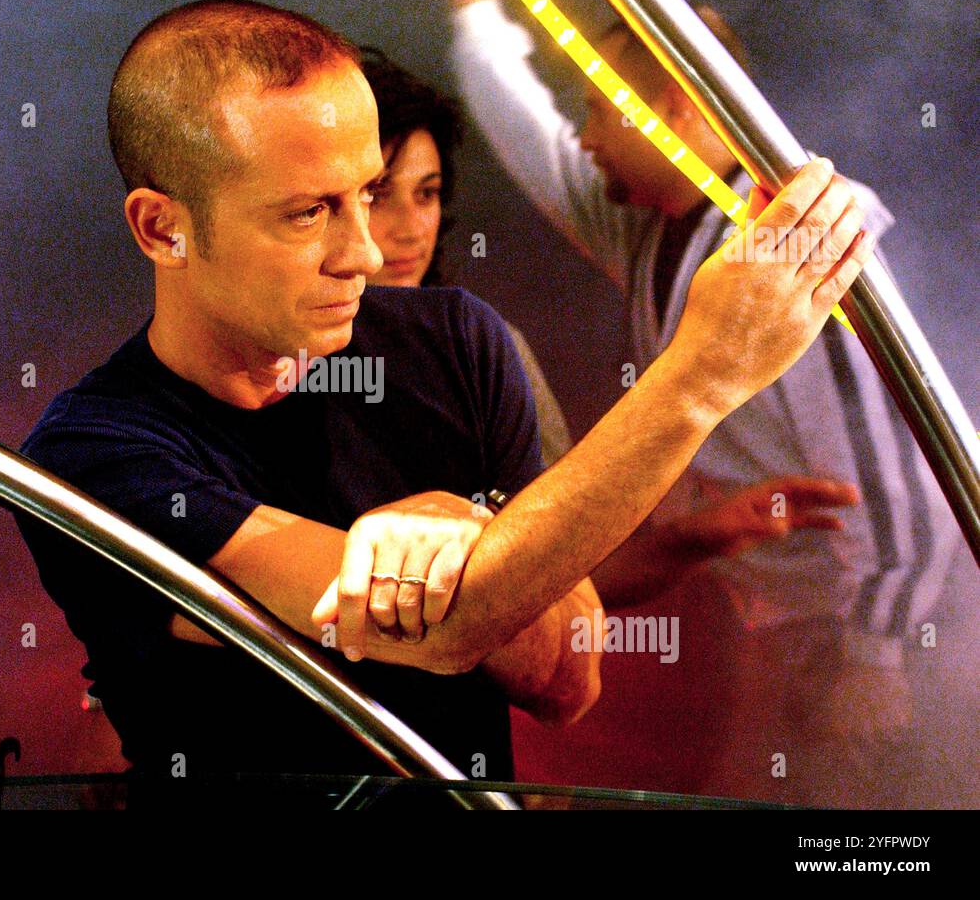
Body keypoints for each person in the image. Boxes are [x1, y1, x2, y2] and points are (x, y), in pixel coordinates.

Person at [12, 0, 873, 809]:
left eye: (371, 194)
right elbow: (444, 629)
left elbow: (569, 679)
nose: (362, 250)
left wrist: (462, 526)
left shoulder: (455, 339)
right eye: (310, 212)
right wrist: (702, 373)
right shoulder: (96, 454)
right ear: (165, 227)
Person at [388, 0, 969, 806]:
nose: (583, 135)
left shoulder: (794, 231)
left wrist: (875, 651)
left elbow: (907, 465)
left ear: (666, 105)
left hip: (876, 631)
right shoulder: (660, 226)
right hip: (787, 628)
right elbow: (535, 144)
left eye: (595, 108)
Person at [360, 47, 860, 602]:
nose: (409, 228)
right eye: (376, 195)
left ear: (677, 105)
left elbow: (558, 573)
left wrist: (699, 537)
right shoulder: (274, 361)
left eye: (427, 193)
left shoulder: (482, 347)